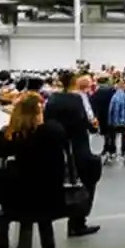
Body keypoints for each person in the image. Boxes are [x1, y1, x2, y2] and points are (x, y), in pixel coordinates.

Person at [0, 92, 67, 248]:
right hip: (46, 186)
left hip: (21, 187)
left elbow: (0, 149)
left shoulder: (12, 134)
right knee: (46, 227)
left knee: (25, 231)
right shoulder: (52, 130)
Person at [43, 71, 100, 237]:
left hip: (59, 146)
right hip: (78, 145)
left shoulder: (53, 99)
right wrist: (93, 127)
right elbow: (84, 121)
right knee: (86, 181)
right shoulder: (77, 99)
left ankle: (71, 219)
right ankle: (78, 221)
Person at [90, 75, 118, 163]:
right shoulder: (113, 91)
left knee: (105, 133)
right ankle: (112, 149)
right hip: (113, 115)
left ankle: (106, 149)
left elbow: (92, 106)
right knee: (112, 133)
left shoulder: (96, 93)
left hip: (102, 116)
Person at [108, 81, 125, 164]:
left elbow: (111, 109)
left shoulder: (114, 96)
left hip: (115, 120)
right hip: (124, 120)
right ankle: (124, 151)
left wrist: (110, 120)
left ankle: (113, 151)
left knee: (113, 137)